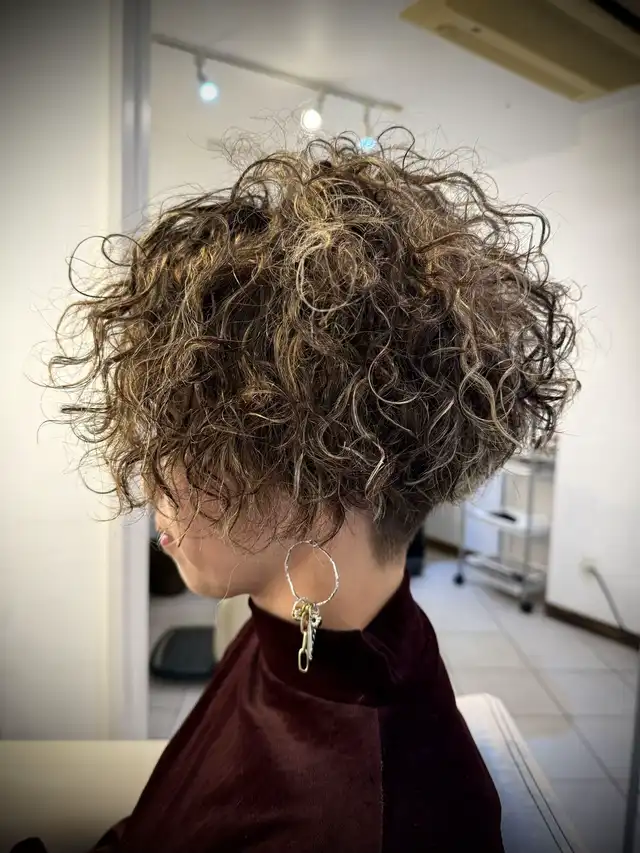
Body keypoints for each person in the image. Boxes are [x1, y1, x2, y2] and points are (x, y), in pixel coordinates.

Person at [26, 132, 577, 852]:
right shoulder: (301, 638)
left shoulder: (357, 818)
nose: (153, 477)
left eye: (190, 443)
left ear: (314, 476)